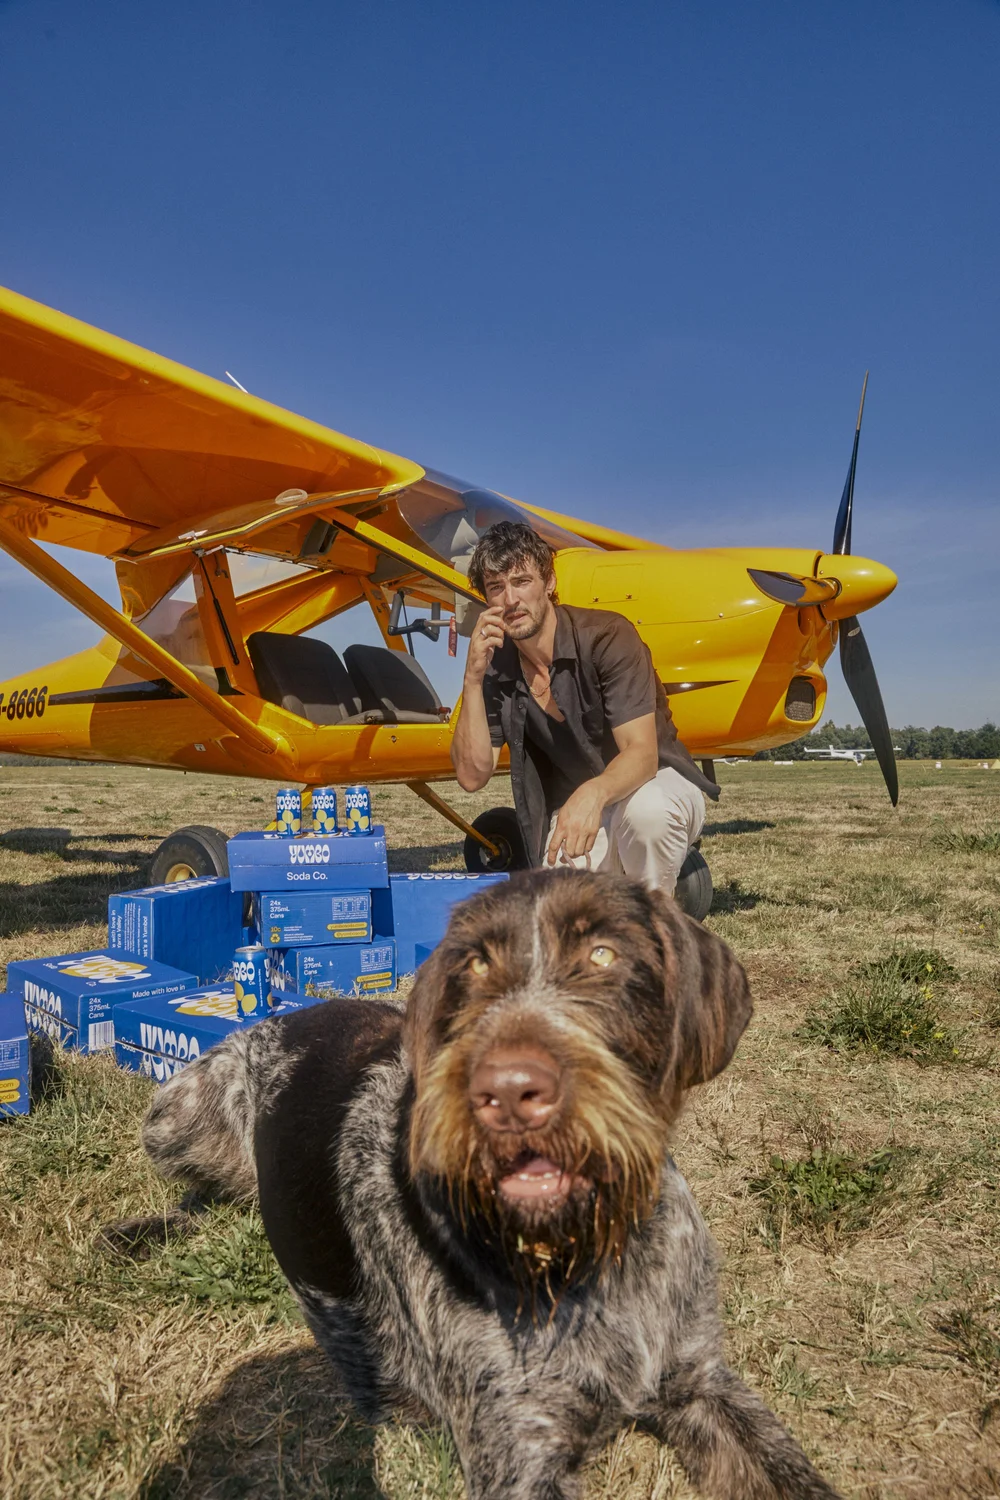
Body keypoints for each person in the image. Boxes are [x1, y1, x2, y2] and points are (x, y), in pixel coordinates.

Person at [450, 521, 719, 894]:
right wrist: (473, 680)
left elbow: (641, 755)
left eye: (522, 581)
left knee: (647, 814)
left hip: (656, 784)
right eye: (497, 587)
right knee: (561, 910)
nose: (510, 600)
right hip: (581, 808)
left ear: (549, 583)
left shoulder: (608, 637)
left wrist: (592, 793)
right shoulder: (496, 666)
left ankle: (655, 926)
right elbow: (471, 776)